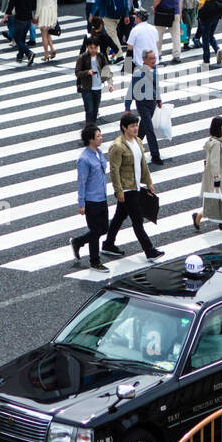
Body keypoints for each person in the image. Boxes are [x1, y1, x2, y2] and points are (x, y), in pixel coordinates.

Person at [102, 112, 161, 260]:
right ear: (124, 127)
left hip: (136, 186)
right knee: (137, 221)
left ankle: (108, 244)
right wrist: (119, 191)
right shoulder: (117, 146)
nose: (135, 128)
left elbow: (143, 165)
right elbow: (114, 170)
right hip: (126, 189)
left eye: (136, 125)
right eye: (132, 126)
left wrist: (148, 182)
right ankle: (150, 251)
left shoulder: (138, 141)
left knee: (119, 217)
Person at [70, 124, 111, 272]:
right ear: (90, 139)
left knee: (104, 228)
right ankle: (95, 261)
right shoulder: (84, 159)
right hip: (91, 200)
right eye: (98, 136)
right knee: (95, 231)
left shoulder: (99, 153)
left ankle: (78, 241)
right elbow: (82, 181)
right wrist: (81, 203)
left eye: (100, 135)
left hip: (102, 198)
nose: (101, 138)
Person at [126, 48, 164, 165]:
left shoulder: (155, 70)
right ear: (144, 60)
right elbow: (131, 90)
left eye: (155, 58)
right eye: (151, 58)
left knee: (142, 128)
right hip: (142, 102)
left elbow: (156, 86)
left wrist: (158, 99)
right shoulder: (138, 72)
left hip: (152, 102)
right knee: (149, 128)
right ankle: (155, 155)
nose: (154, 60)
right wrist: (127, 107)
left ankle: (131, 147)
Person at [74, 35, 113, 125]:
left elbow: (107, 71)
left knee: (95, 111)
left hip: (98, 88)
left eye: (95, 48)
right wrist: (87, 72)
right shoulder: (82, 57)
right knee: (89, 110)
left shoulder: (101, 57)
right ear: (87, 47)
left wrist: (110, 83)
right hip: (86, 88)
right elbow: (77, 72)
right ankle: (89, 129)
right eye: (91, 48)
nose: (93, 50)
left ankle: (92, 128)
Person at [197, 0, 222, 65]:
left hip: (206, 17)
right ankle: (217, 49)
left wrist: (199, 15)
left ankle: (206, 60)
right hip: (216, 16)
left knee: (205, 38)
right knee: (210, 35)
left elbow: (201, 4)